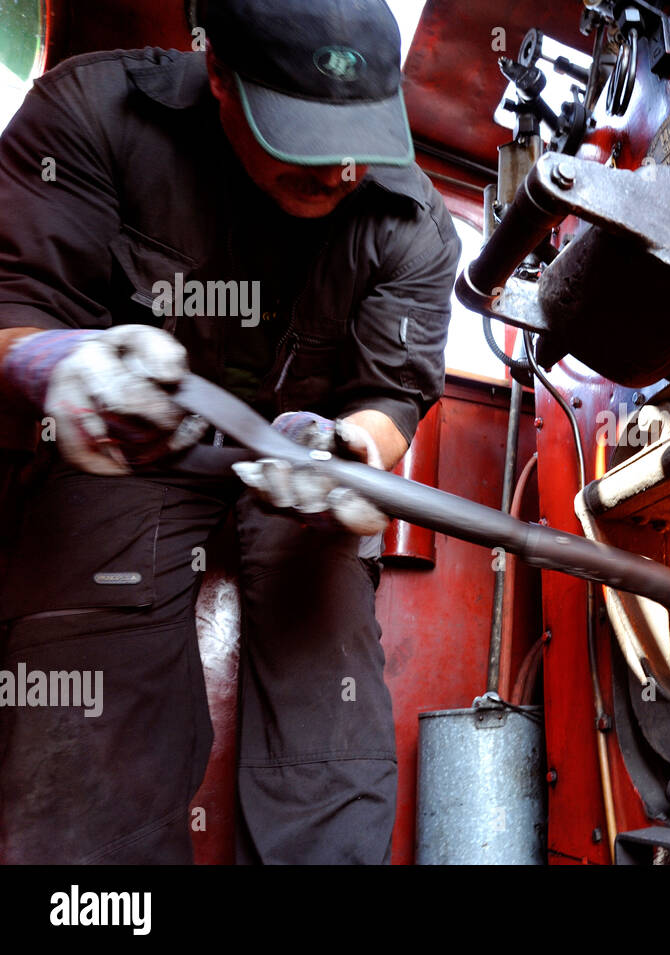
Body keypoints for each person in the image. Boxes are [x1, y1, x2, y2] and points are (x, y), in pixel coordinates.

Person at [0, 0, 459, 863]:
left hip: (299, 468)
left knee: (334, 729)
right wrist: (54, 366)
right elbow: (13, 300)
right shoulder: (89, 115)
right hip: (125, 455)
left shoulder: (411, 223)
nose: (346, 170)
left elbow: (392, 395)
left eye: (363, 135)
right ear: (219, 75)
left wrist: (352, 450)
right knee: (82, 736)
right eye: (307, 141)